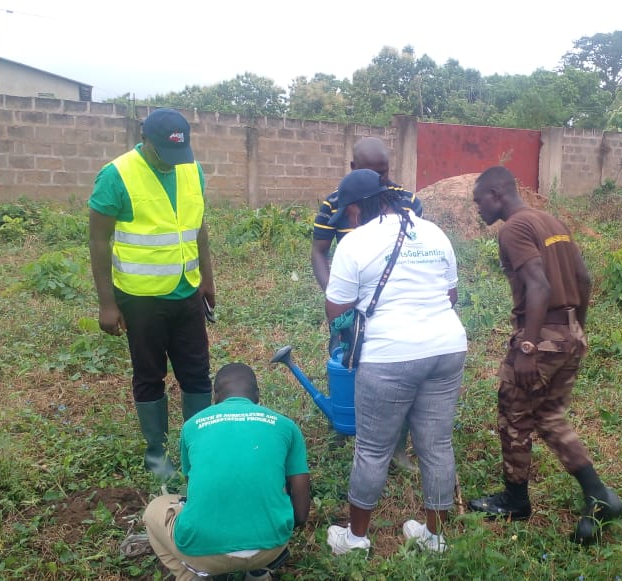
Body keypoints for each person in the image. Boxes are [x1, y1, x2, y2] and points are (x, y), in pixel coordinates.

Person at [467, 166, 622, 545]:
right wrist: (575, 328)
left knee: (513, 415)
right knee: (549, 414)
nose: (477, 210)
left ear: (497, 194)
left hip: (541, 337)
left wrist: (528, 345)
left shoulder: (514, 228)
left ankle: (515, 500)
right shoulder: (551, 221)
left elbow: (538, 284)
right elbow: (583, 278)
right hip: (568, 332)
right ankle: (599, 494)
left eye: (479, 201)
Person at [323, 169, 467, 554]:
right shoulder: (434, 232)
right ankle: (433, 537)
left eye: (348, 215)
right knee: (436, 445)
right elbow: (450, 295)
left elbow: (336, 311)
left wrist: (356, 330)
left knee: (372, 448)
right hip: (447, 348)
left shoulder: (355, 244)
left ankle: (354, 539)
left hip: (388, 356)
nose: (348, 222)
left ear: (356, 209)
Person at [88, 108, 215, 479]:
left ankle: (199, 446)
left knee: (197, 373)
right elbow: (98, 240)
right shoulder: (117, 175)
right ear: (146, 140)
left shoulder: (191, 168)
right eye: (165, 154)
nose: (173, 163)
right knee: (149, 375)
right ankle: (157, 454)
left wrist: (207, 278)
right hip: (140, 298)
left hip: (187, 290)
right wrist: (107, 303)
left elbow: (198, 227)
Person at [312, 136, 423, 473]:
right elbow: (319, 251)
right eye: (371, 172)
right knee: (350, 366)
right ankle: (356, 432)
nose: (381, 180)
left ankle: (397, 446)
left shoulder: (408, 201)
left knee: (399, 372)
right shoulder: (335, 205)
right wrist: (335, 294)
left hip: (395, 304)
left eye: (384, 171)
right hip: (350, 305)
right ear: (353, 170)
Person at [142, 363, 311, 580]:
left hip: (201, 551)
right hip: (271, 546)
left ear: (215, 396)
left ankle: (193, 576)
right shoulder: (286, 426)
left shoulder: (192, 425)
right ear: (257, 396)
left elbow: (193, 486)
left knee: (154, 509)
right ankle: (260, 571)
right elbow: (301, 510)